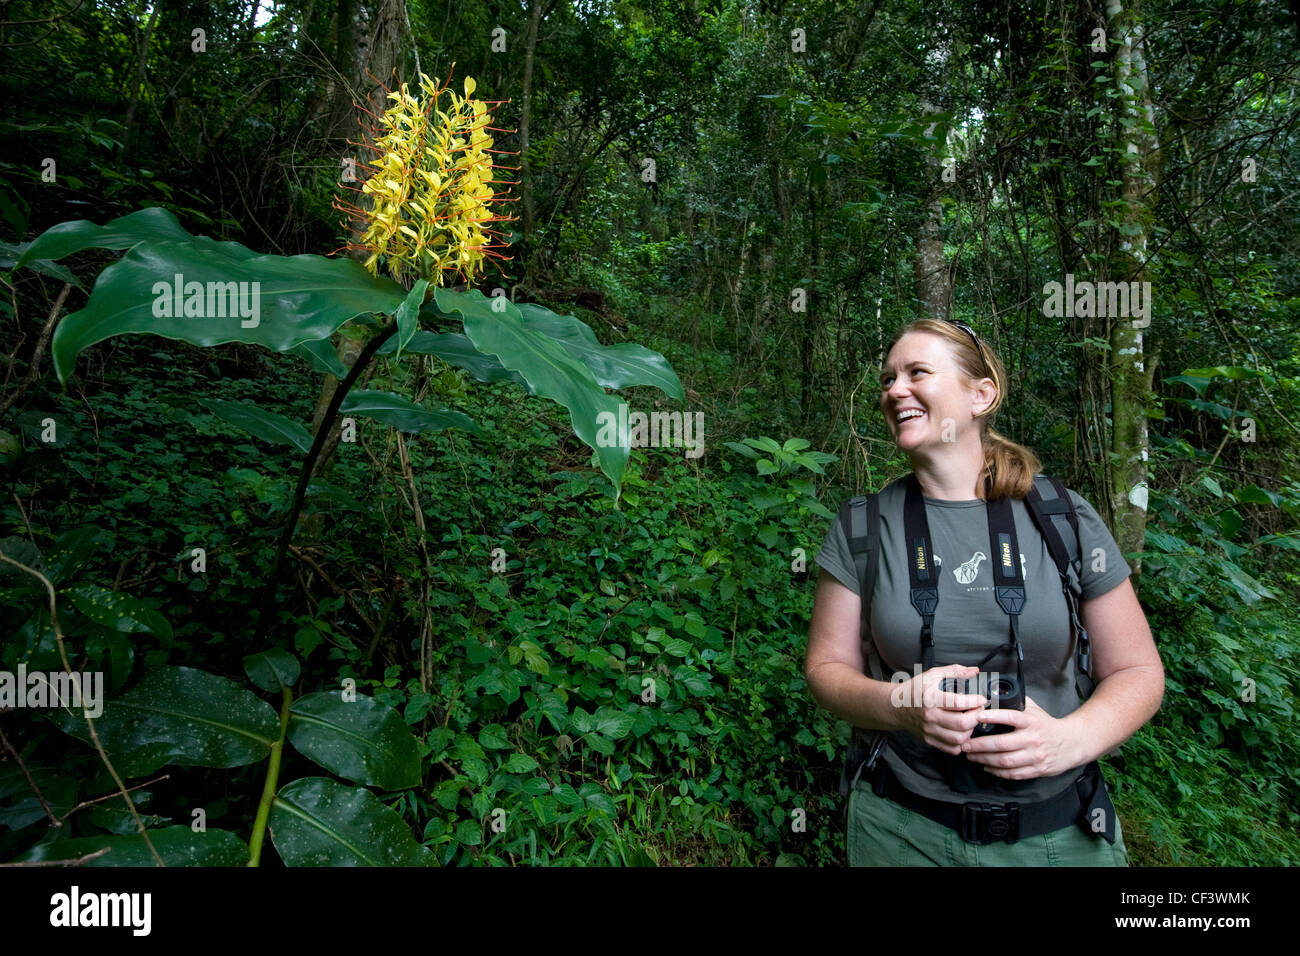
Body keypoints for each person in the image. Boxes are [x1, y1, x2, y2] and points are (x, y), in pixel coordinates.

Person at [805, 318, 1164, 866]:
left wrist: (1069, 740)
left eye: (916, 372)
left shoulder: (1061, 516)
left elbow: (1138, 672)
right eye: (887, 380)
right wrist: (902, 705)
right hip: (901, 829)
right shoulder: (863, 525)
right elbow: (826, 669)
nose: (894, 390)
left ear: (982, 393)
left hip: (1058, 834)